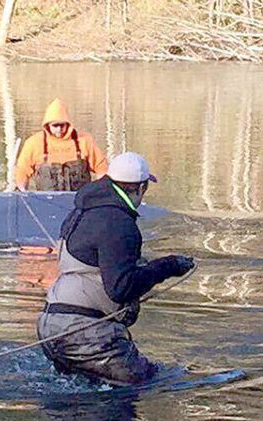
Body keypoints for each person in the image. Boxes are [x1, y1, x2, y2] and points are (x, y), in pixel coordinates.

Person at [37, 152, 194, 386]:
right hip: (85, 331)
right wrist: (168, 266)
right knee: (150, 383)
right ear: (141, 188)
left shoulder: (81, 211)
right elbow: (120, 288)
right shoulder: (119, 223)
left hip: (50, 324)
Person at [14, 98, 109, 191]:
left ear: (68, 124)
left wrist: (102, 193)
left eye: (62, 125)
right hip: (45, 202)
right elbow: (22, 171)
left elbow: (101, 168)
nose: (59, 129)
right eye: (55, 126)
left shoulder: (84, 141)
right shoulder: (33, 143)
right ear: (47, 125)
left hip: (81, 202)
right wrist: (22, 189)